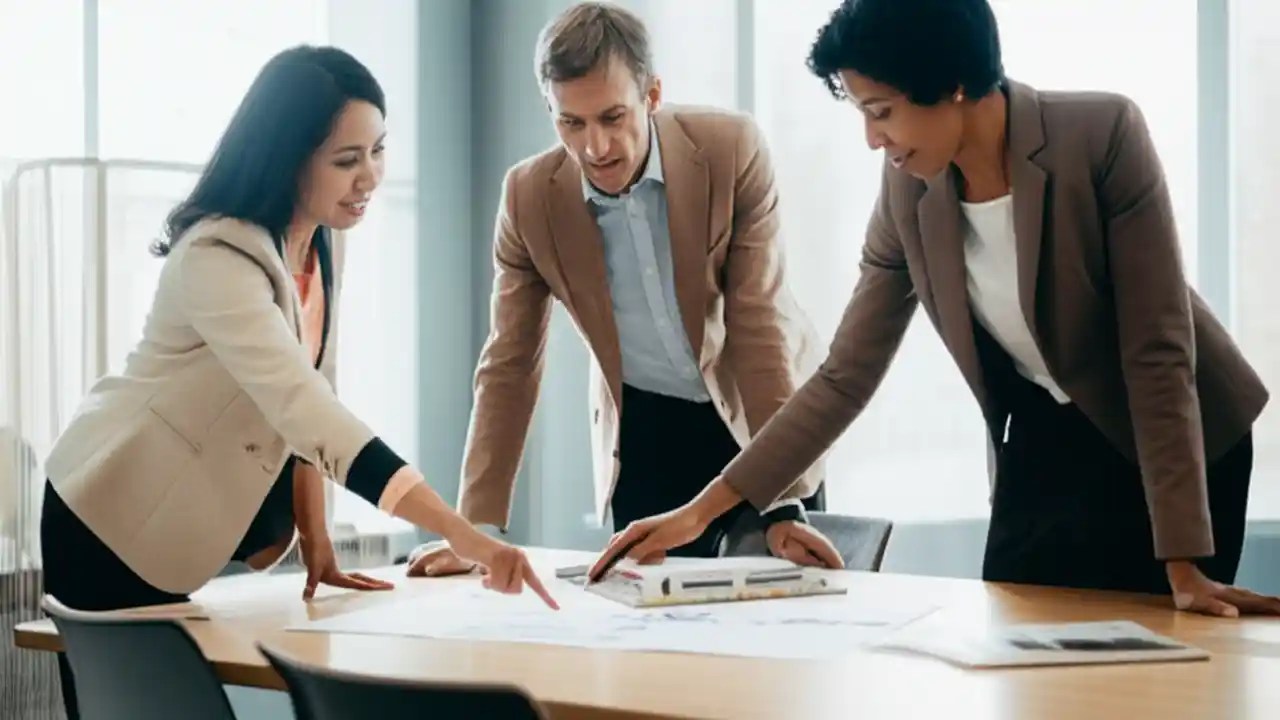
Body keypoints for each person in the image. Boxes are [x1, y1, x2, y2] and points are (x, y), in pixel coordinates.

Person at [592, 0, 1280, 617]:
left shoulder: (1099, 136)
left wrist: (1184, 565)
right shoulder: (907, 196)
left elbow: (1157, 350)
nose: (872, 140)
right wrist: (703, 511)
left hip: (1175, 430)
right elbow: (843, 378)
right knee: (1020, 650)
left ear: (953, 85)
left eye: (881, 111)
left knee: (1150, 662)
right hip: (1047, 436)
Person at [41, 45, 555, 720]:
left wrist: (320, 547)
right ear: (289, 159)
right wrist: (463, 532)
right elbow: (306, 410)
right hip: (108, 513)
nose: (369, 176)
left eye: (378, 150)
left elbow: (315, 396)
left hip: (177, 522)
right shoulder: (216, 255)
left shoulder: (317, 239)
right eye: (346, 160)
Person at [406, 1, 840, 577]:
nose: (595, 147)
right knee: (641, 627)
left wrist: (783, 497)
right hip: (646, 428)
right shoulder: (528, 198)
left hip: (756, 407)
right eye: (572, 123)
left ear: (651, 95)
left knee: (779, 614)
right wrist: (475, 531)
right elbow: (508, 364)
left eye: (613, 117)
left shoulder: (730, 150)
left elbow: (758, 327)